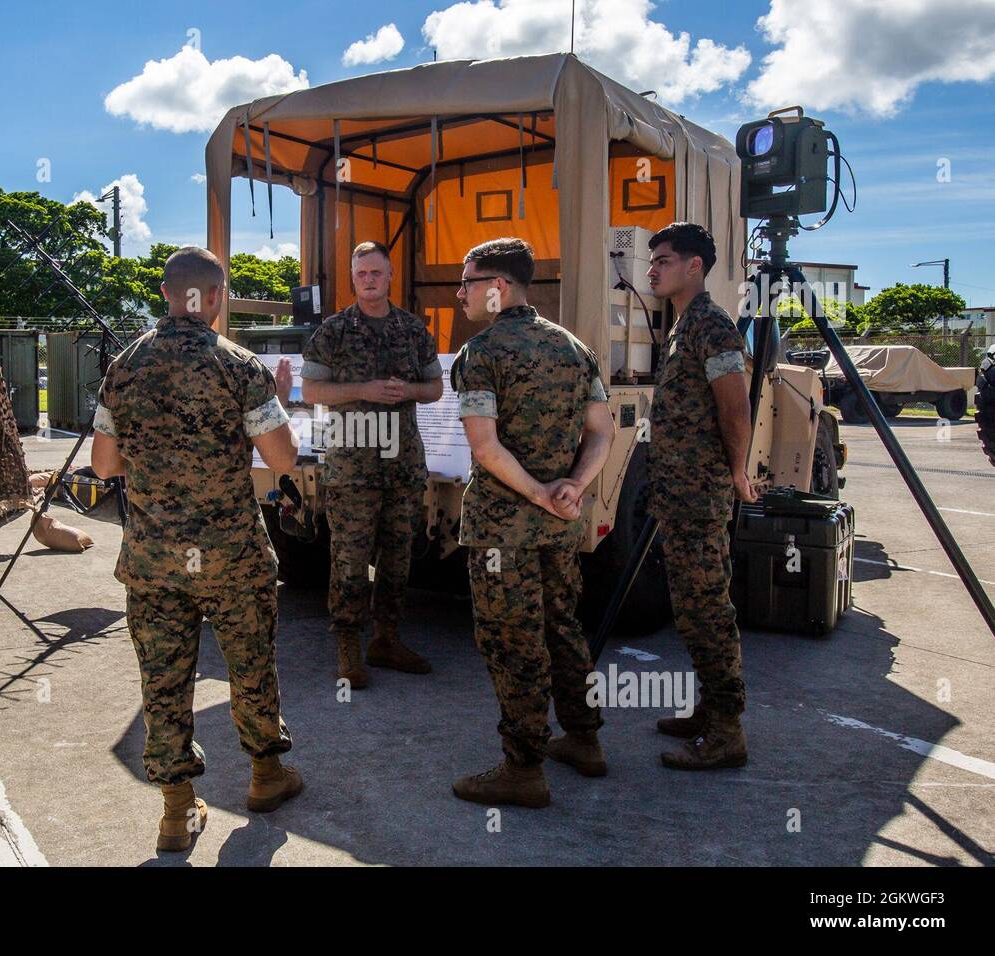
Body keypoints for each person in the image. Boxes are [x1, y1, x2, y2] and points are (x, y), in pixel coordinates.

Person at [91, 246, 303, 854]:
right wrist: (277, 400)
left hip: (154, 558)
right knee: (250, 665)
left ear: (165, 293)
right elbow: (283, 458)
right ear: (215, 297)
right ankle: (265, 775)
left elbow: (104, 465)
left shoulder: (124, 366)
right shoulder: (239, 365)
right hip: (231, 554)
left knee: (163, 679)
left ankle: (176, 809)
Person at [449, 238, 615, 809]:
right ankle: (585, 739)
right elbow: (602, 431)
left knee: (512, 641)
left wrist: (541, 493)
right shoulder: (574, 348)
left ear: (498, 287)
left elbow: (485, 447)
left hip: (504, 532)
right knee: (562, 626)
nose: (461, 293)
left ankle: (523, 769)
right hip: (559, 527)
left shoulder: (481, 353)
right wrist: (574, 486)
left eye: (469, 282)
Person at [301, 241, 443, 689]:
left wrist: (408, 392)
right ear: (352, 278)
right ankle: (348, 645)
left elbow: (435, 388)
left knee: (398, 557)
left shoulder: (413, 329)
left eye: (376, 273)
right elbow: (312, 392)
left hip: (402, 463)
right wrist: (363, 390)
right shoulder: (333, 332)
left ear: (390, 275)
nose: (368, 280)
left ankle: (386, 639)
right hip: (352, 465)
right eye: (361, 273)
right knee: (350, 558)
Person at [644, 222, 756, 770]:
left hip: (698, 492)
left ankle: (727, 730)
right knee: (692, 607)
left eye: (663, 260)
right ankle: (711, 709)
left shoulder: (711, 324)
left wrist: (737, 471)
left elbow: (734, 406)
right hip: (678, 492)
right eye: (651, 261)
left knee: (706, 608)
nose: (652, 269)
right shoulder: (683, 325)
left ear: (694, 266)